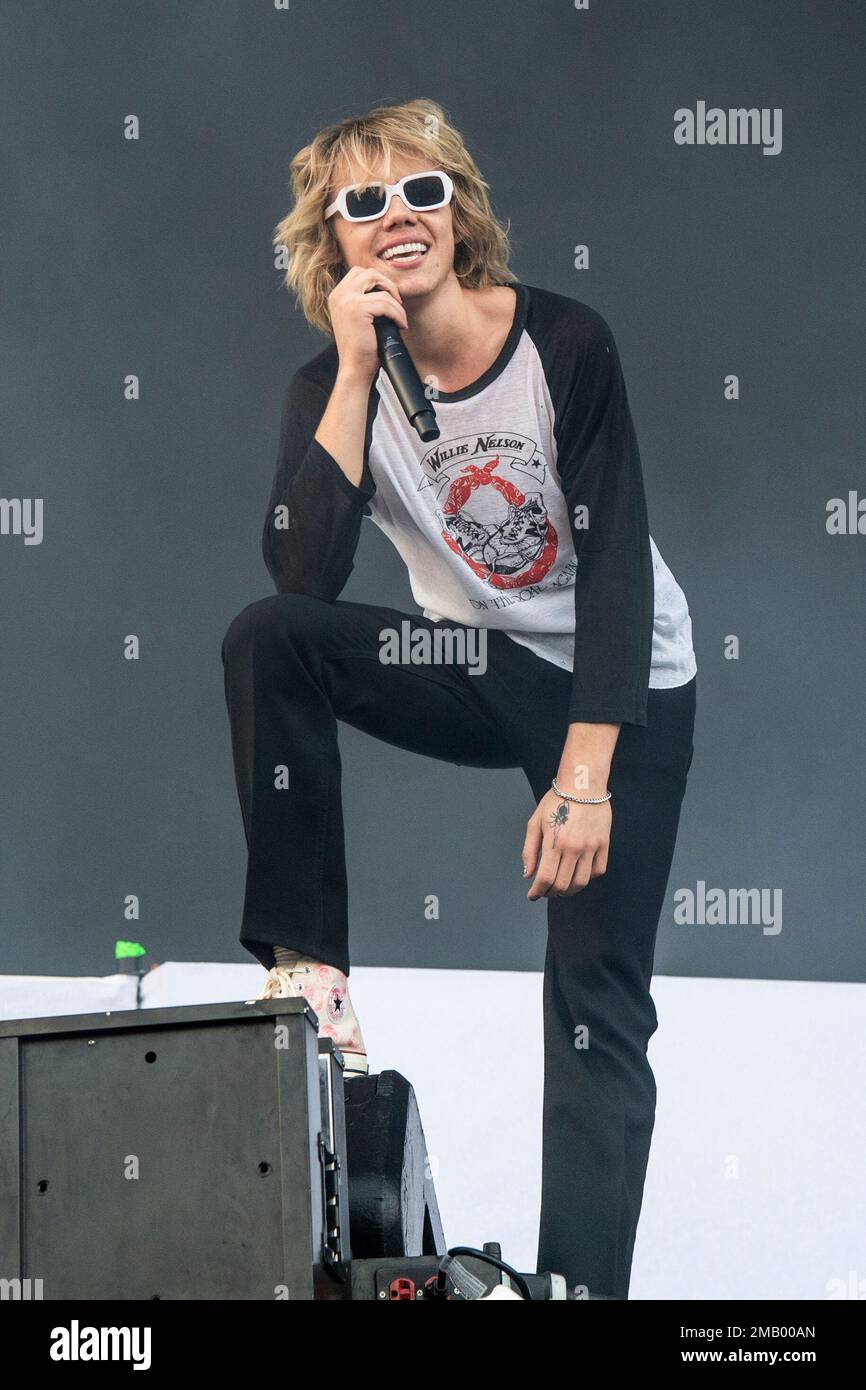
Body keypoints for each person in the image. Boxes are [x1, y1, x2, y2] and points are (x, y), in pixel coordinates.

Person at [220, 97, 697, 1299]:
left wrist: (584, 777)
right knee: (268, 638)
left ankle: (574, 1292)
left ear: (458, 208)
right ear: (330, 240)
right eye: (363, 203)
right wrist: (351, 369)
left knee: (596, 1005)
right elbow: (299, 575)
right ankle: (309, 981)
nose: (397, 220)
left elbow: (617, 568)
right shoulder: (338, 382)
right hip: (473, 668)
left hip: (619, 682)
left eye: (419, 191)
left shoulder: (564, 344)